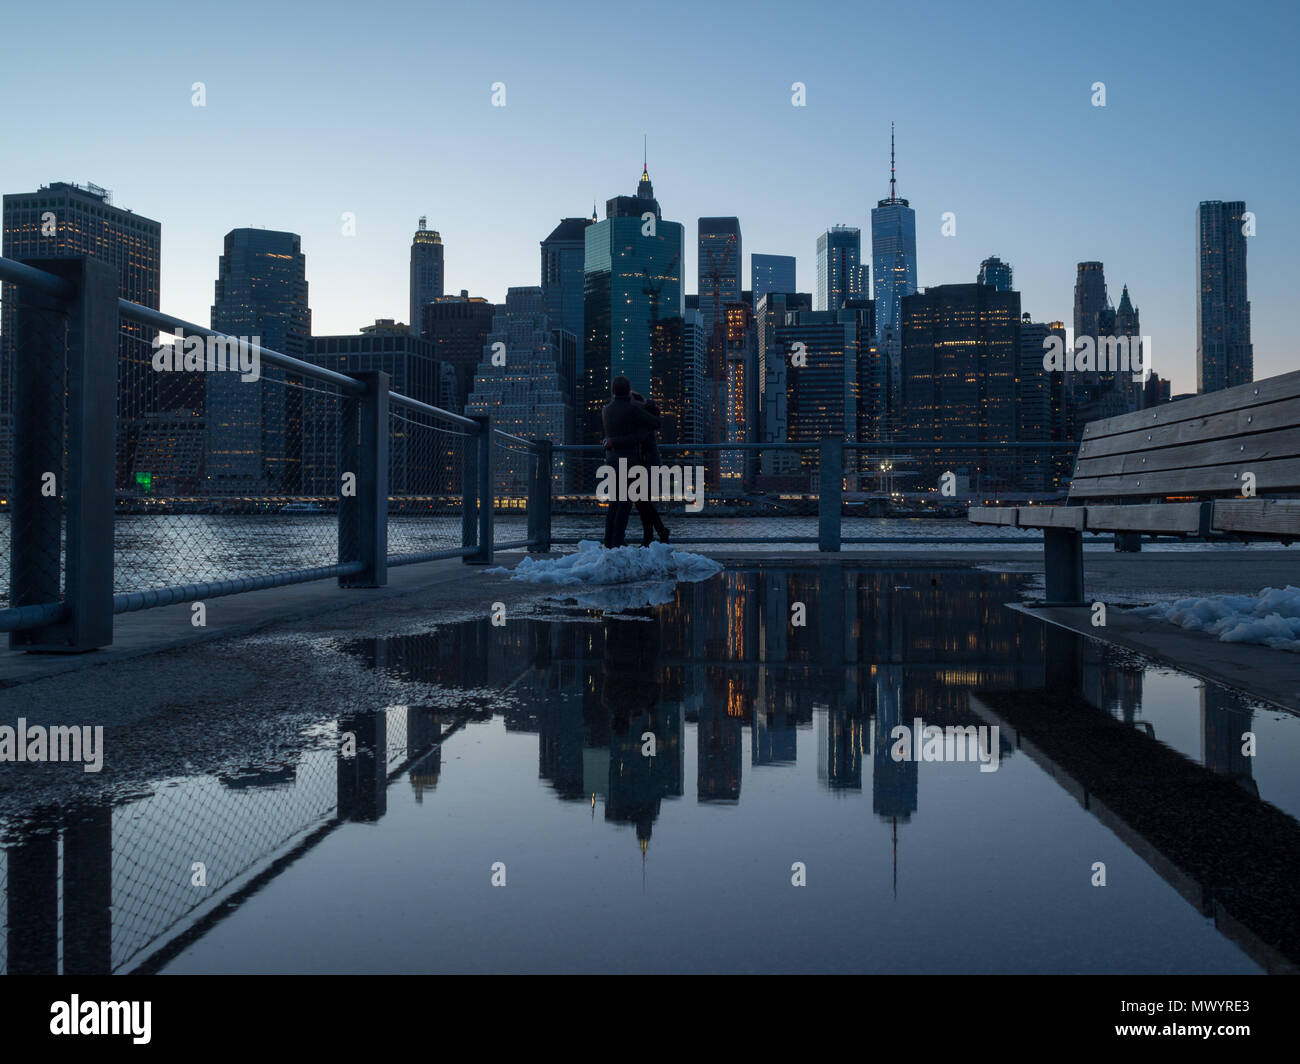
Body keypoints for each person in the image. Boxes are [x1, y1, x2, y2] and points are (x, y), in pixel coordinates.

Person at [600, 376, 661, 548]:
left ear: (612, 391)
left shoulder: (606, 410)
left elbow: (614, 435)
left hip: (611, 460)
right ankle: (618, 541)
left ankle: (609, 541)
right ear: (628, 390)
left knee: (614, 503)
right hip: (629, 462)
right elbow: (656, 422)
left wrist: (613, 442)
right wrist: (648, 404)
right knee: (625, 504)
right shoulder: (632, 409)